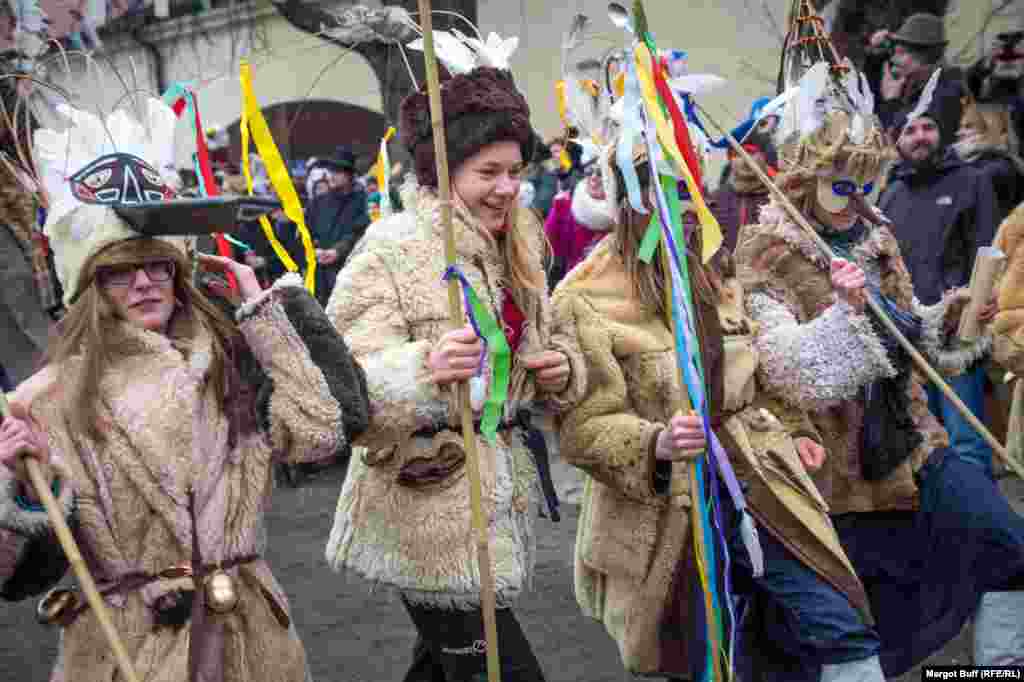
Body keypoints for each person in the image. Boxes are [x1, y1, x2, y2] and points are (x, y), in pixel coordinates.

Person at [0, 97, 370, 681]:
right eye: (121, 270)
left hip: (252, 643)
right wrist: (22, 485)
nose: (145, 281)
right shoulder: (43, 399)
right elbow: (22, 573)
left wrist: (268, 313)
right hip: (129, 651)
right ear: (91, 287)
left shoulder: (229, 360)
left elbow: (325, 433)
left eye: (160, 265)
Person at [552, 119, 882, 681]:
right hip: (669, 514)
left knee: (840, 624)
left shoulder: (719, 270)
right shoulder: (584, 297)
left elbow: (762, 377)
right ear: (625, 196)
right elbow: (582, 430)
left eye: (687, 186)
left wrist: (797, 431)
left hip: (762, 481)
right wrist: (655, 442)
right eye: (660, 187)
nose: (681, 203)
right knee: (708, 656)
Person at [735, 97, 1024, 674]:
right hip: (835, 469)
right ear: (804, 178)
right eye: (845, 187)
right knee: (868, 620)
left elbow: (906, 328)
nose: (860, 203)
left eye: (869, 185)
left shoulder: (875, 237)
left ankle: (998, 668)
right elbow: (789, 371)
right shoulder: (761, 253)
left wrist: (950, 319)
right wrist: (846, 315)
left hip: (913, 444)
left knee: (1008, 545)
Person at [324, 37, 583, 680]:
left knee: (445, 670)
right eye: (486, 172)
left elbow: (539, 348)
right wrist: (422, 369)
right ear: (444, 172)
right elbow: (340, 384)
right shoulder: (391, 247)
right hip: (425, 508)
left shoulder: (519, 248)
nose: (505, 189)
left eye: (514, 172)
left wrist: (556, 369)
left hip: (496, 497)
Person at [880, 103, 1000, 476]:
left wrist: (982, 304)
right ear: (897, 140)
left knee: (966, 441)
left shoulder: (972, 179)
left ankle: (979, 530)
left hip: (957, 335)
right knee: (925, 446)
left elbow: (990, 249)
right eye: (910, 130)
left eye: (927, 127)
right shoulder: (890, 194)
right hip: (909, 338)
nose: (919, 137)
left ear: (941, 132)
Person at [865, 13, 965, 146]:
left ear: (926, 57)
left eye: (901, 53)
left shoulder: (946, 94)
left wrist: (892, 103)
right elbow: (869, 104)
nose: (894, 59)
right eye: (894, 52)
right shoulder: (912, 82)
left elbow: (902, 144)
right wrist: (873, 57)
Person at [304, 146, 370, 306]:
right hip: (320, 279)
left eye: (338, 171)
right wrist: (313, 249)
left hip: (350, 276)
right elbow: (306, 233)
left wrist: (338, 251)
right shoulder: (317, 203)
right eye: (330, 170)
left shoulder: (363, 202)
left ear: (350, 175)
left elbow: (361, 234)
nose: (332, 175)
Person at [710, 129, 777, 255]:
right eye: (737, 154)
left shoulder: (779, 199)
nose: (744, 160)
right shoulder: (715, 199)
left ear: (764, 157)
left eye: (750, 153)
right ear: (730, 159)